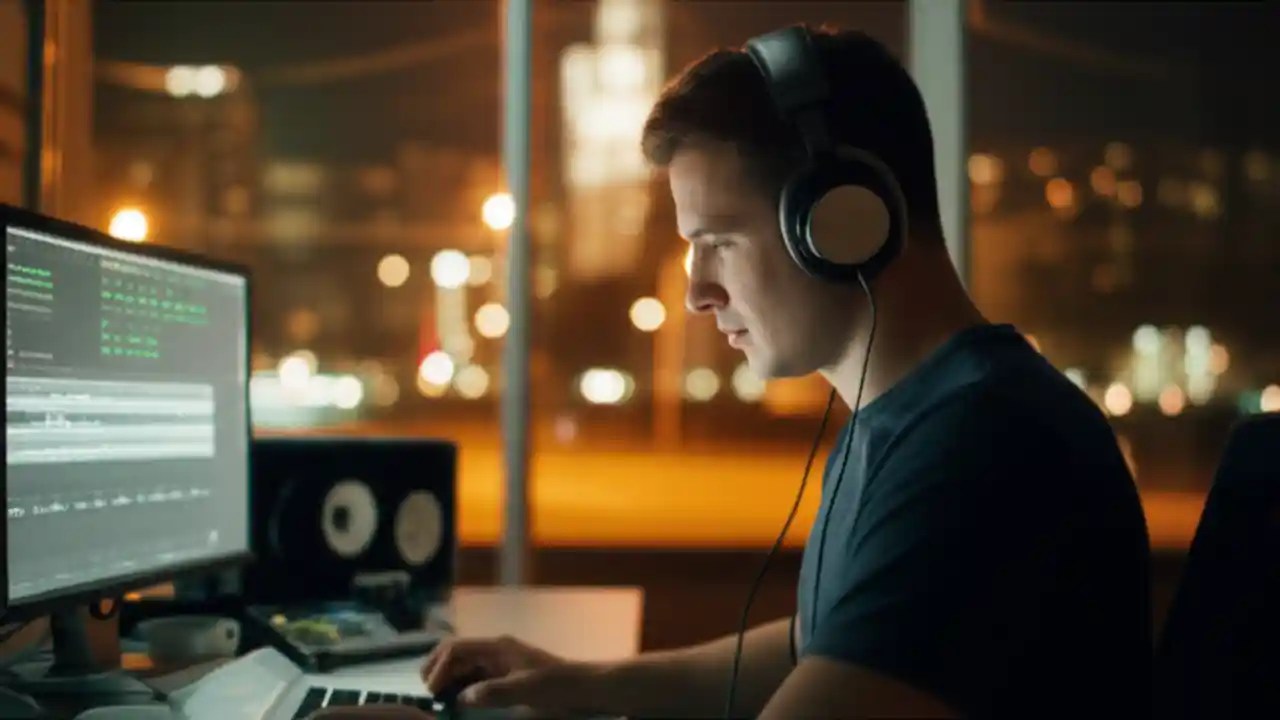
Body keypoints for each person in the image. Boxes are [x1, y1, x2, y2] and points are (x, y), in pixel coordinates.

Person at [315, 24, 1153, 720]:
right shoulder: (919, 413)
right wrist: (579, 683)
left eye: (718, 241)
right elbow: (823, 646)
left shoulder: (982, 445)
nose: (697, 294)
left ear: (840, 221)